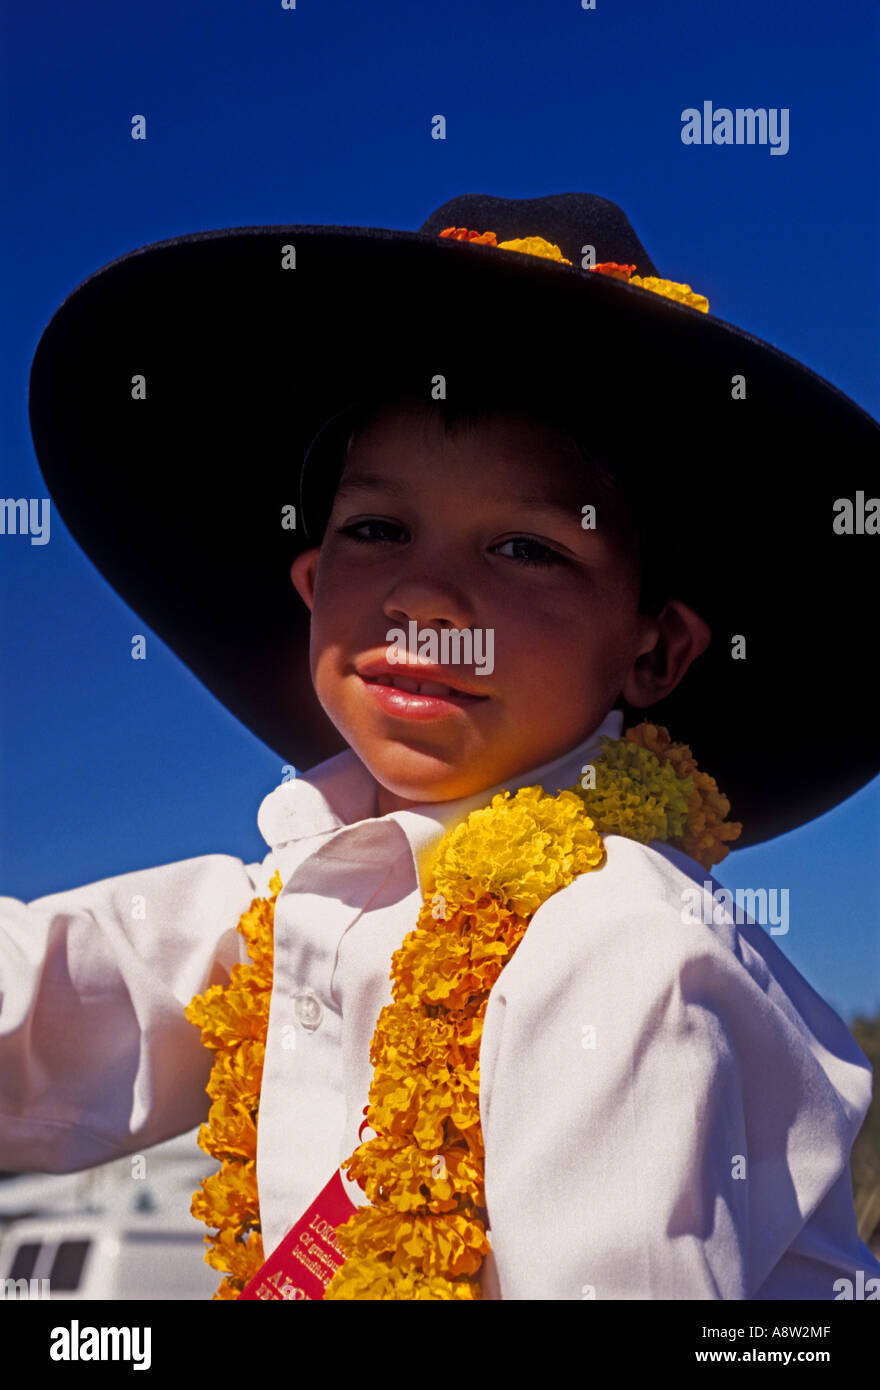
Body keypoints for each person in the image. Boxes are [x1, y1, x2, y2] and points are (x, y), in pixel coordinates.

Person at [3, 191, 879, 1300]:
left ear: (654, 652)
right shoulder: (290, 910)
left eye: (526, 546)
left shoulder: (621, 944)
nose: (424, 594)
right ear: (313, 588)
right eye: (377, 530)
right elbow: (52, 1005)